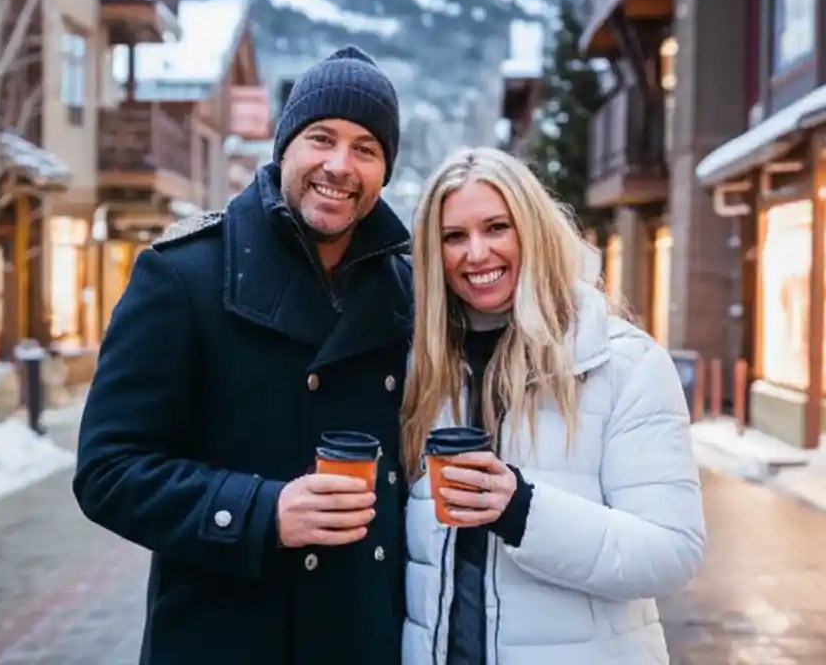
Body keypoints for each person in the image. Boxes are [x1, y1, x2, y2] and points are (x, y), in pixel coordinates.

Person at [73, 45, 413, 665]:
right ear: (284, 146)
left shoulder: (406, 292)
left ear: (384, 171)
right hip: (222, 635)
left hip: (364, 638)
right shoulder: (185, 276)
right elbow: (108, 472)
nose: (340, 165)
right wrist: (260, 511)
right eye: (321, 138)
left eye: (366, 148)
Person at [398, 147, 706, 664]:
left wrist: (523, 511)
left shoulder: (620, 363)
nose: (476, 253)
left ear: (533, 231)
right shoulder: (423, 369)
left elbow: (672, 552)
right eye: (454, 236)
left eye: (496, 227)